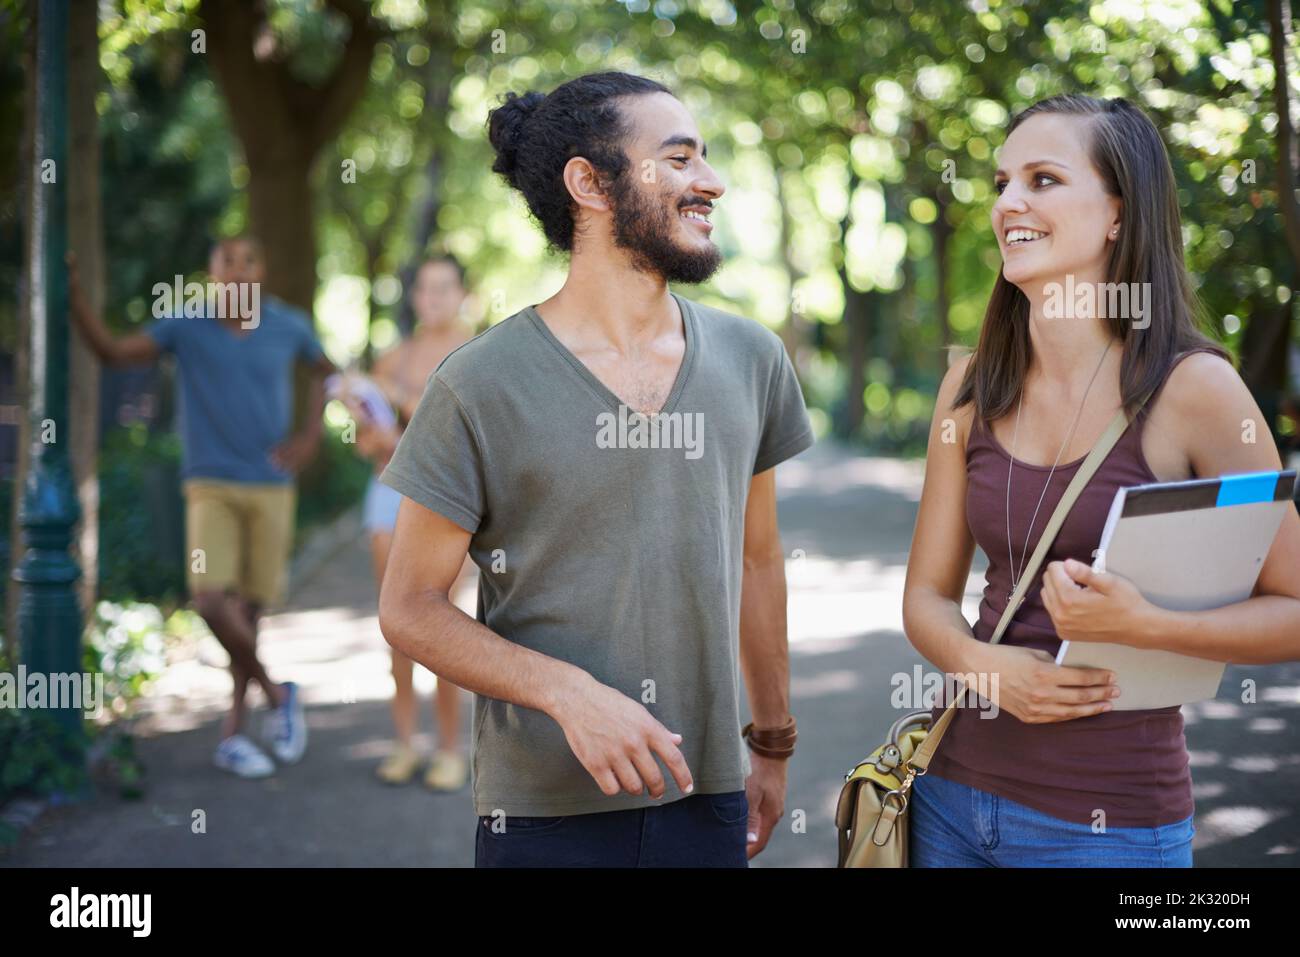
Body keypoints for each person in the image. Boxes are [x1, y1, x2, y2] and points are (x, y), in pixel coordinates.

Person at [376, 71, 815, 867]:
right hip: (543, 813)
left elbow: (758, 560)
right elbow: (409, 606)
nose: (709, 181)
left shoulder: (753, 359)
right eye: (678, 159)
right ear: (591, 183)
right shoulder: (478, 384)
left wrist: (773, 740)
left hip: (706, 797)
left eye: (705, 158)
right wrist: (564, 690)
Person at [902, 94, 1300, 867]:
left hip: (1108, 828)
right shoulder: (968, 384)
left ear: (1118, 214)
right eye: (1001, 181)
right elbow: (926, 596)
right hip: (947, 800)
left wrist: (1145, 624)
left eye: (1043, 179)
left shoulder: (1197, 391)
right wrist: (984, 664)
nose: (1008, 202)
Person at [69, 235, 335, 778]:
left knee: (249, 612)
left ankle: (233, 735)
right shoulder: (184, 327)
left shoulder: (290, 325)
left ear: (262, 271)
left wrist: (309, 439)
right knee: (210, 599)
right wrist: (72, 296)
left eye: (248, 260)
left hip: (271, 484)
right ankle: (277, 694)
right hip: (209, 484)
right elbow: (113, 353)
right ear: (211, 273)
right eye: (226, 261)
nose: (237, 270)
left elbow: (327, 372)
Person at [352, 255, 476, 790]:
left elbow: (462, 436)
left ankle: (450, 748)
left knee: (443, 622)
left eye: (444, 287)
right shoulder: (392, 358)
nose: (434, 298)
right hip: (389, 496)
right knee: (396, 624)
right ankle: (405, 743)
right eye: (425, 288)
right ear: (414, 296)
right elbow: (365, 442)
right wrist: (371, 433)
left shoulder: (479, 355)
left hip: (450, 500)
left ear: (462, 293)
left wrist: (399, 415)